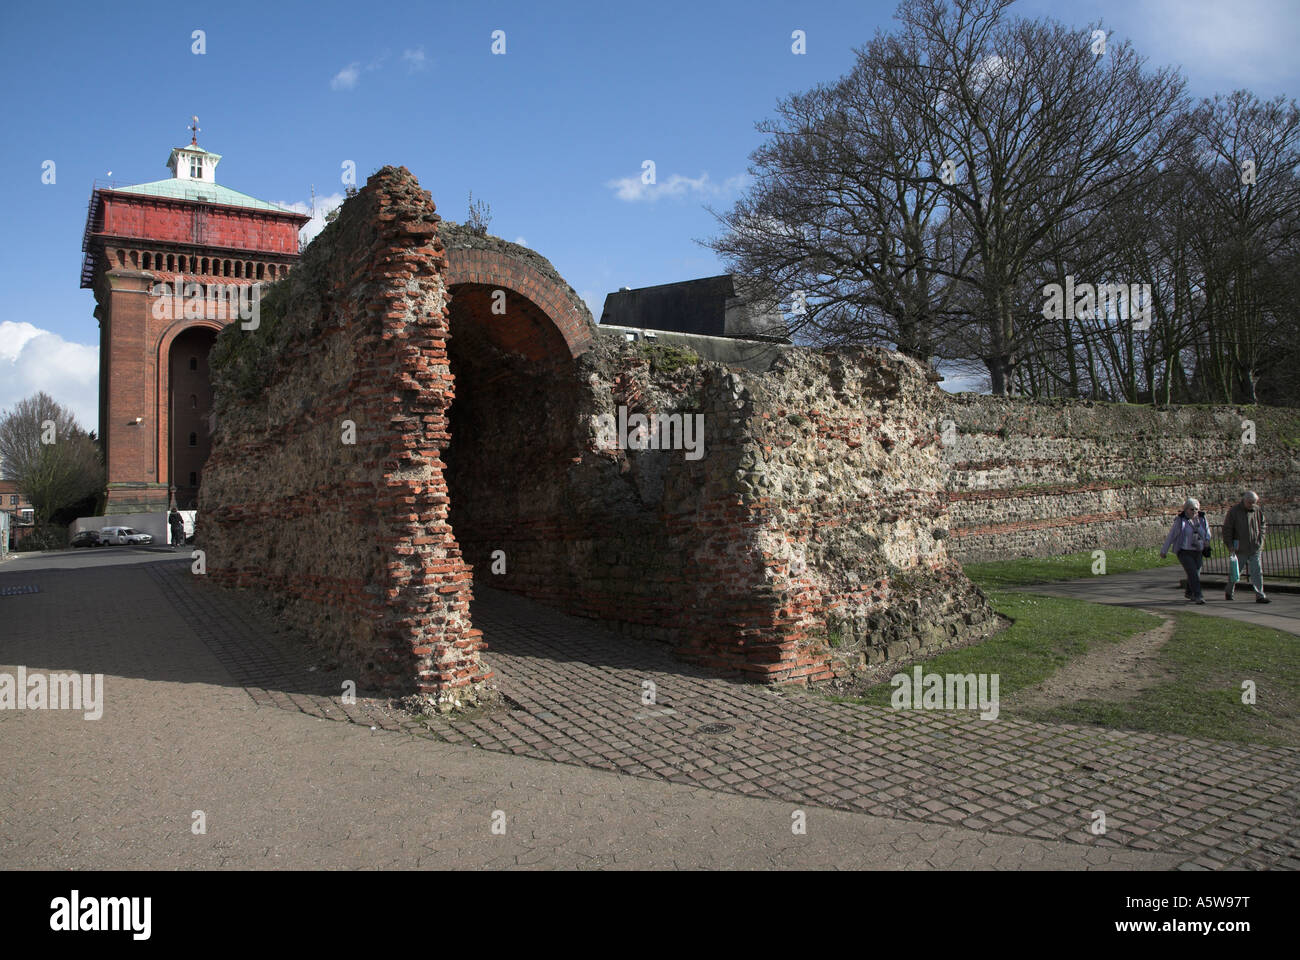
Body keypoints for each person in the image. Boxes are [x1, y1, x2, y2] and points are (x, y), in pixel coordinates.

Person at [1161, 497, 1211, 604]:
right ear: (1186, 509)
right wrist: (1164, 551)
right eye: (1191, 509)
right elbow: (1171, 535)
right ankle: (1198, 596)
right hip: (1184, 551)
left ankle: (1189, 592)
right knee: (1192, 572)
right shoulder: (1180, 520)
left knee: (1195, 573)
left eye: (1196, 509)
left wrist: (1207, 540)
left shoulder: (1202, 519)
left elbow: (1207, 533)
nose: (1194, 512)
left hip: (1198, 550)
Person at [1223, 490, 1270, 603]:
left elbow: (1263, 524)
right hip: (1239, 548)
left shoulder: (1257, 510)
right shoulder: (1234, 511)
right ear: (1244, 500)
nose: (1251, 505)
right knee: (1236, 572)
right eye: (1249, 502)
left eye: (1254, 502)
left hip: (1255, 547)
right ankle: (1229, 591)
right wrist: (1229, 544)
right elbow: (1227, 529)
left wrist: (1260, 539)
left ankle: (1260, 595)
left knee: (1257, 571)